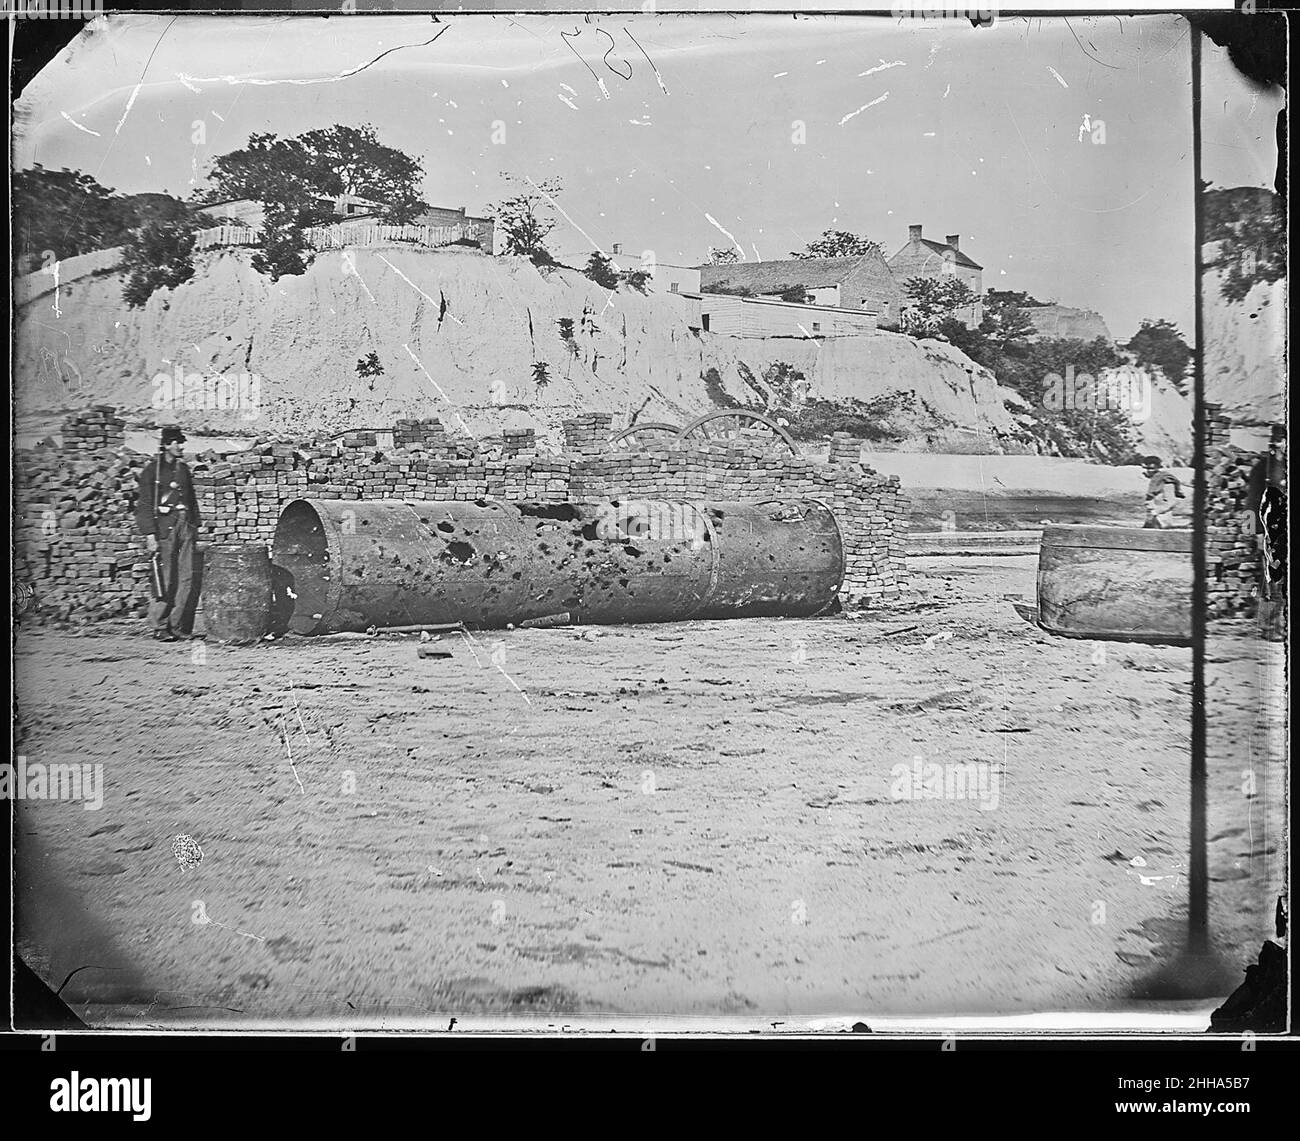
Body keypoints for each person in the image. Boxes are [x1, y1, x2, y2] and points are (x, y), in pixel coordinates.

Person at [135, 426, 200, 641]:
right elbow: (144, 504)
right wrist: (149, 535)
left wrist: (194, 526)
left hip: (185, 527)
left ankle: (177, 625)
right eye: (177, 443)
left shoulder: (183, 470)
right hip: (165, 528)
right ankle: (159, 625)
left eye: (182, 442)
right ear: (166, 445)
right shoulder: (152, 472)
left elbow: (191, 500)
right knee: (164, 578)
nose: (181, 446)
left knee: (187, 577)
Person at [1141, 455, 1184, 529]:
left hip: (1162, 518)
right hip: (1152, 517)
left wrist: (1156, 511)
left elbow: (1171, 502)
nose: (1149, 471)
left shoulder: (1167, 481)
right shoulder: (1154, 481)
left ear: (1158, 468)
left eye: (1152, 468)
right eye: (1147, 468)